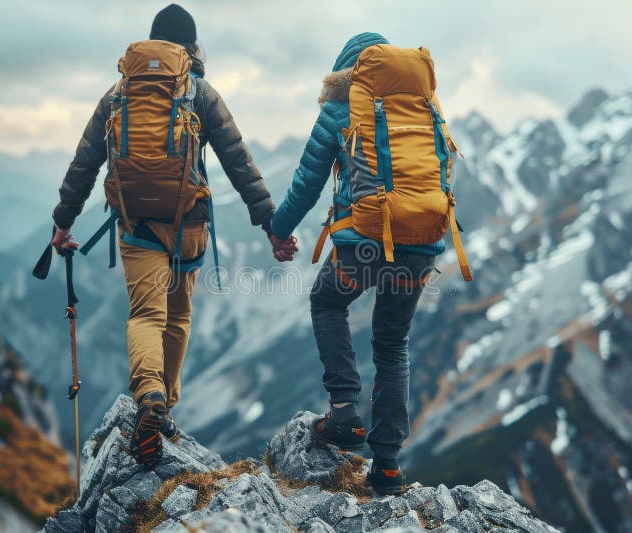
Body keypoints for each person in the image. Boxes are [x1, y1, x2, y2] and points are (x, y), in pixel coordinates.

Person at [50, 3, 296, 466]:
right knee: (177, 318)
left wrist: (63, 222)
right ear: (192, 46)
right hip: (189, 225)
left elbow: (84, 163)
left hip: (137, 226)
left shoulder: (118, 93)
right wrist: (271, 226)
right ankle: (163, 411)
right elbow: (238, 161)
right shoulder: (199, 93)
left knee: (145, 315)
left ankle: (149, 396)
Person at [269, 33, 461, 495]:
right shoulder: (422, 107)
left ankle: (343, 413)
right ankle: (389, 466)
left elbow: (306, 182)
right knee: (393, 341)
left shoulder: (340, 109)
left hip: (364, 247)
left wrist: (278, 229)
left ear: (344, 74)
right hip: (419, 246)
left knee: (327, 302)